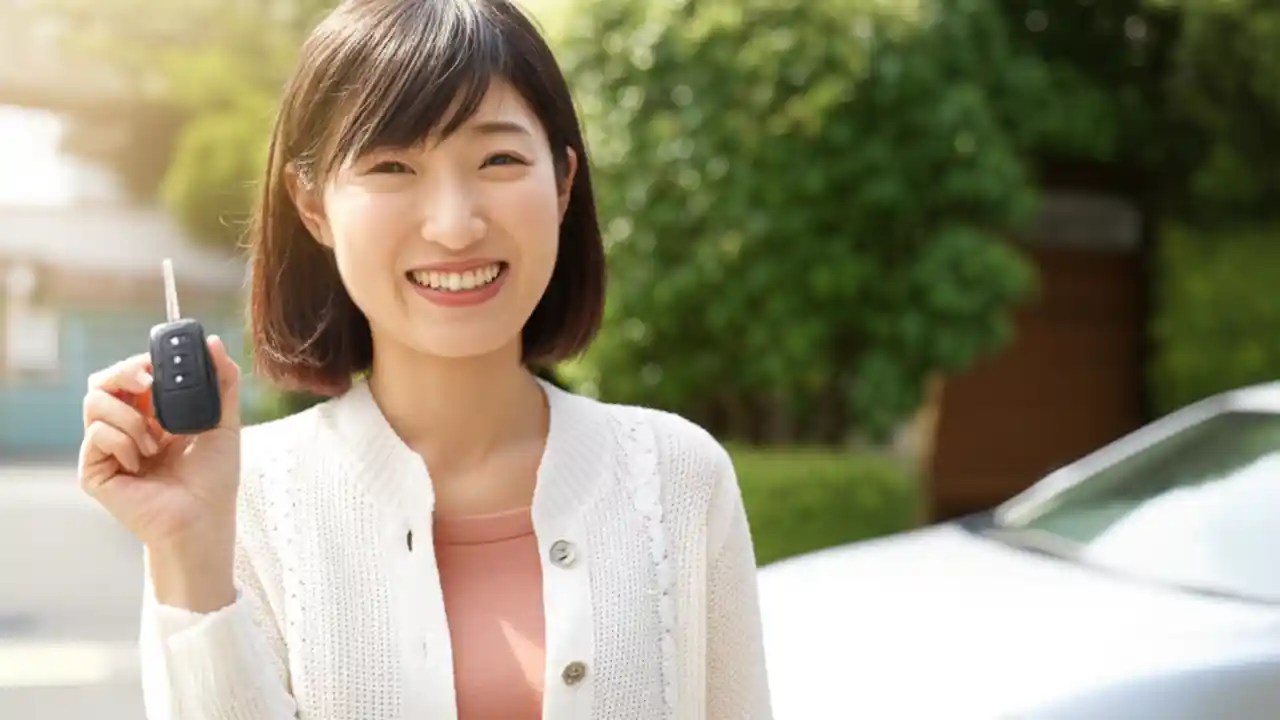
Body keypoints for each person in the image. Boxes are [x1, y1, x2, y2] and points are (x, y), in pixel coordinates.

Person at [76, 0, 773, 717]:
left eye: (498, 158)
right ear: (312, 206)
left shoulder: (676, 478)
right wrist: (191, 553)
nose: (454, 225)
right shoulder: (244, 501)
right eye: (392, 166)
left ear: (563, 183)